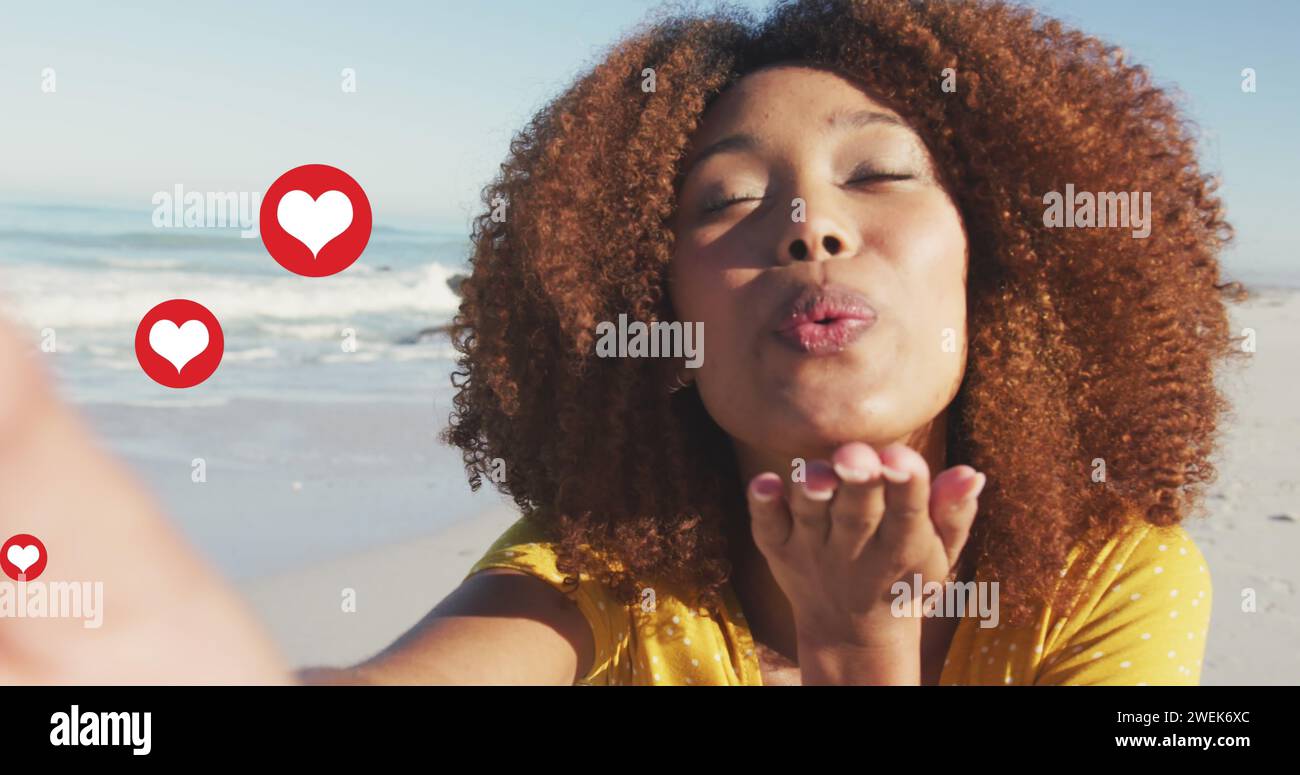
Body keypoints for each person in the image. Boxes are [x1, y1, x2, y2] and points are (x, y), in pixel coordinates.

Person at [0, 0, 1243, 685]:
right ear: (656, 323)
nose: (808, 228)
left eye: (876, 173)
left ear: (1006, 274)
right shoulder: (603, 571)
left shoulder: (1110, 578)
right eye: (724, 202)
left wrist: (859, 650)